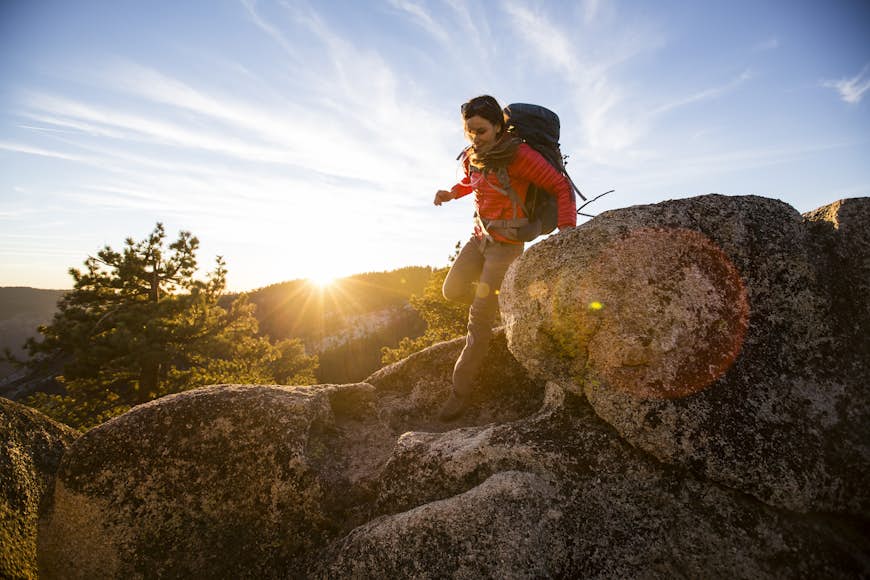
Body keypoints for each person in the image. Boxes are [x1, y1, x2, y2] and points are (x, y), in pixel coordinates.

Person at [433, 95, 577, 421]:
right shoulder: (475, 155)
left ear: (499, 127)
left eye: (481, 131)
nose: (475, 139)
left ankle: (460, 393)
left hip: (506, 246)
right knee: (451, 291)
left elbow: (560, 187)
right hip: (479, 239)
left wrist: (567, 233)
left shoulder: (518, 156)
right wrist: (451, 193)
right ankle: (498, 303)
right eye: (470, 132)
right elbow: (472, 180)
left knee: (477, 322)